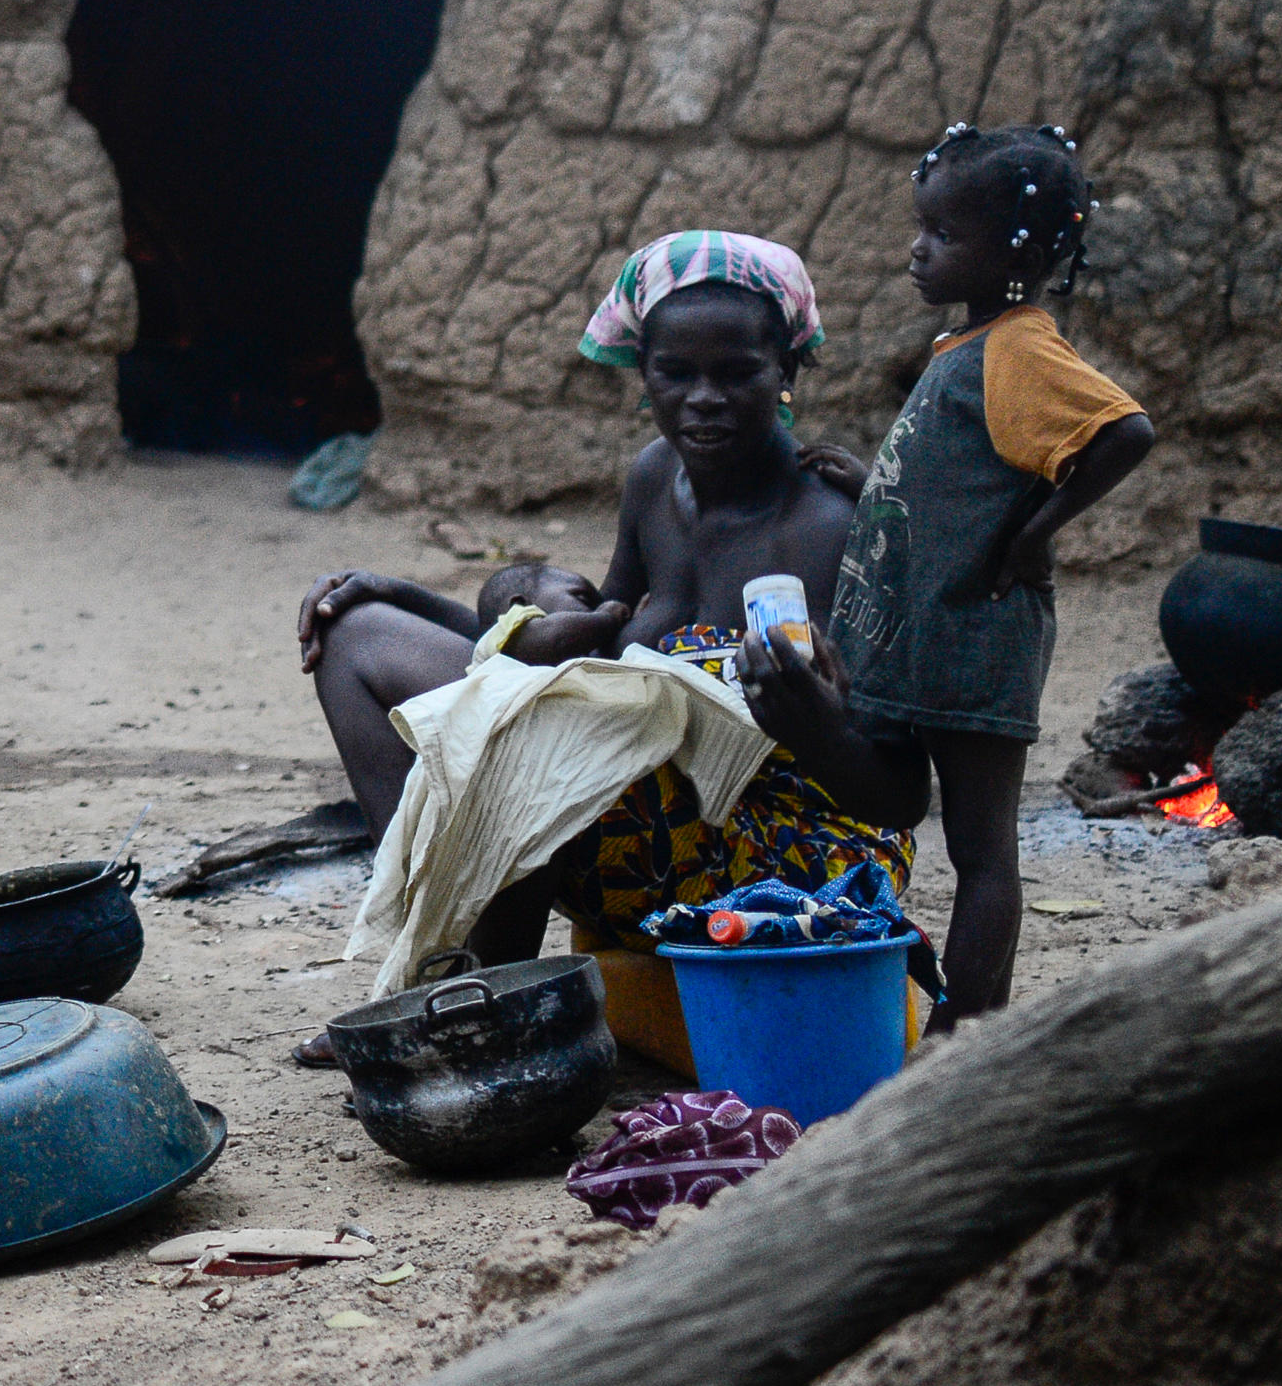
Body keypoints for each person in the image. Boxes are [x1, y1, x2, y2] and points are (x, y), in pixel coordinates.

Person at [292, 233, 910, 1025]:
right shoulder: (656, 477)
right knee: (358, 636)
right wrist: (398, 591)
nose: (703, 398)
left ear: (786, 371)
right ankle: (439, 957)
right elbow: (587, 641)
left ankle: (472, 1002)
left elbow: (899, 795)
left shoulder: (829, 525)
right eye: (676, 373)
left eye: (737, 372)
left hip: (776, 864)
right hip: (631, 829)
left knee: (535, 733)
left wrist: (817, 720)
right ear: (641, 374)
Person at [810, 124, 1157, 1027]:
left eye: (944, 235)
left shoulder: (1020, 346)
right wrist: (873, 480)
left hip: (977, 638)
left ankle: (972, 1033)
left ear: (1016, 251)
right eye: (921, 228)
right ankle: (961, 1024)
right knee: (949, 836)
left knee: (982, 855)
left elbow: (1125, 431)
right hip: (930, 637)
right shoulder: (967, 348)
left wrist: (1036, 537)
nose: (917, 251)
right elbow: (966, 471)